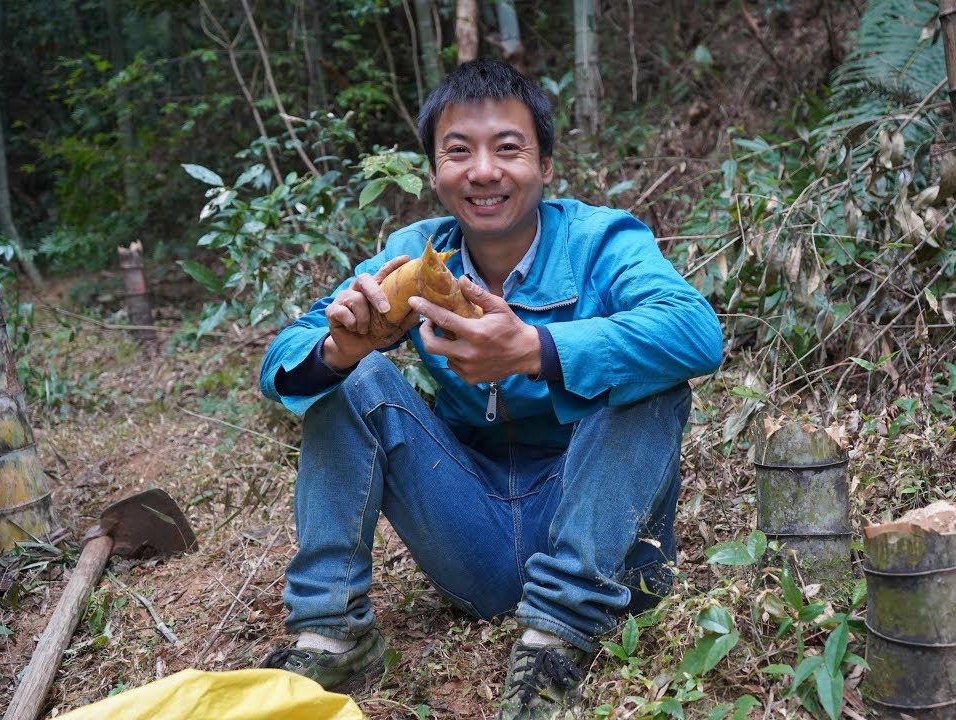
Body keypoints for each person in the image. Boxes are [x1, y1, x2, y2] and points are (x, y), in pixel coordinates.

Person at [257, 57, 722, 718]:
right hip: (469, 531)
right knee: (350, 373)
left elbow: (697, 333)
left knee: (651, 373)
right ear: (435, 172)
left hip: (599, 534)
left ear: (546, 166)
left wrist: (535, 349)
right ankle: (332, 635)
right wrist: (343, 345)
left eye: (508, 148)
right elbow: (281, 359)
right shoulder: (415, 255)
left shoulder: (601, 240)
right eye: (458, 152)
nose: (482, 171)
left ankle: (556, 638)